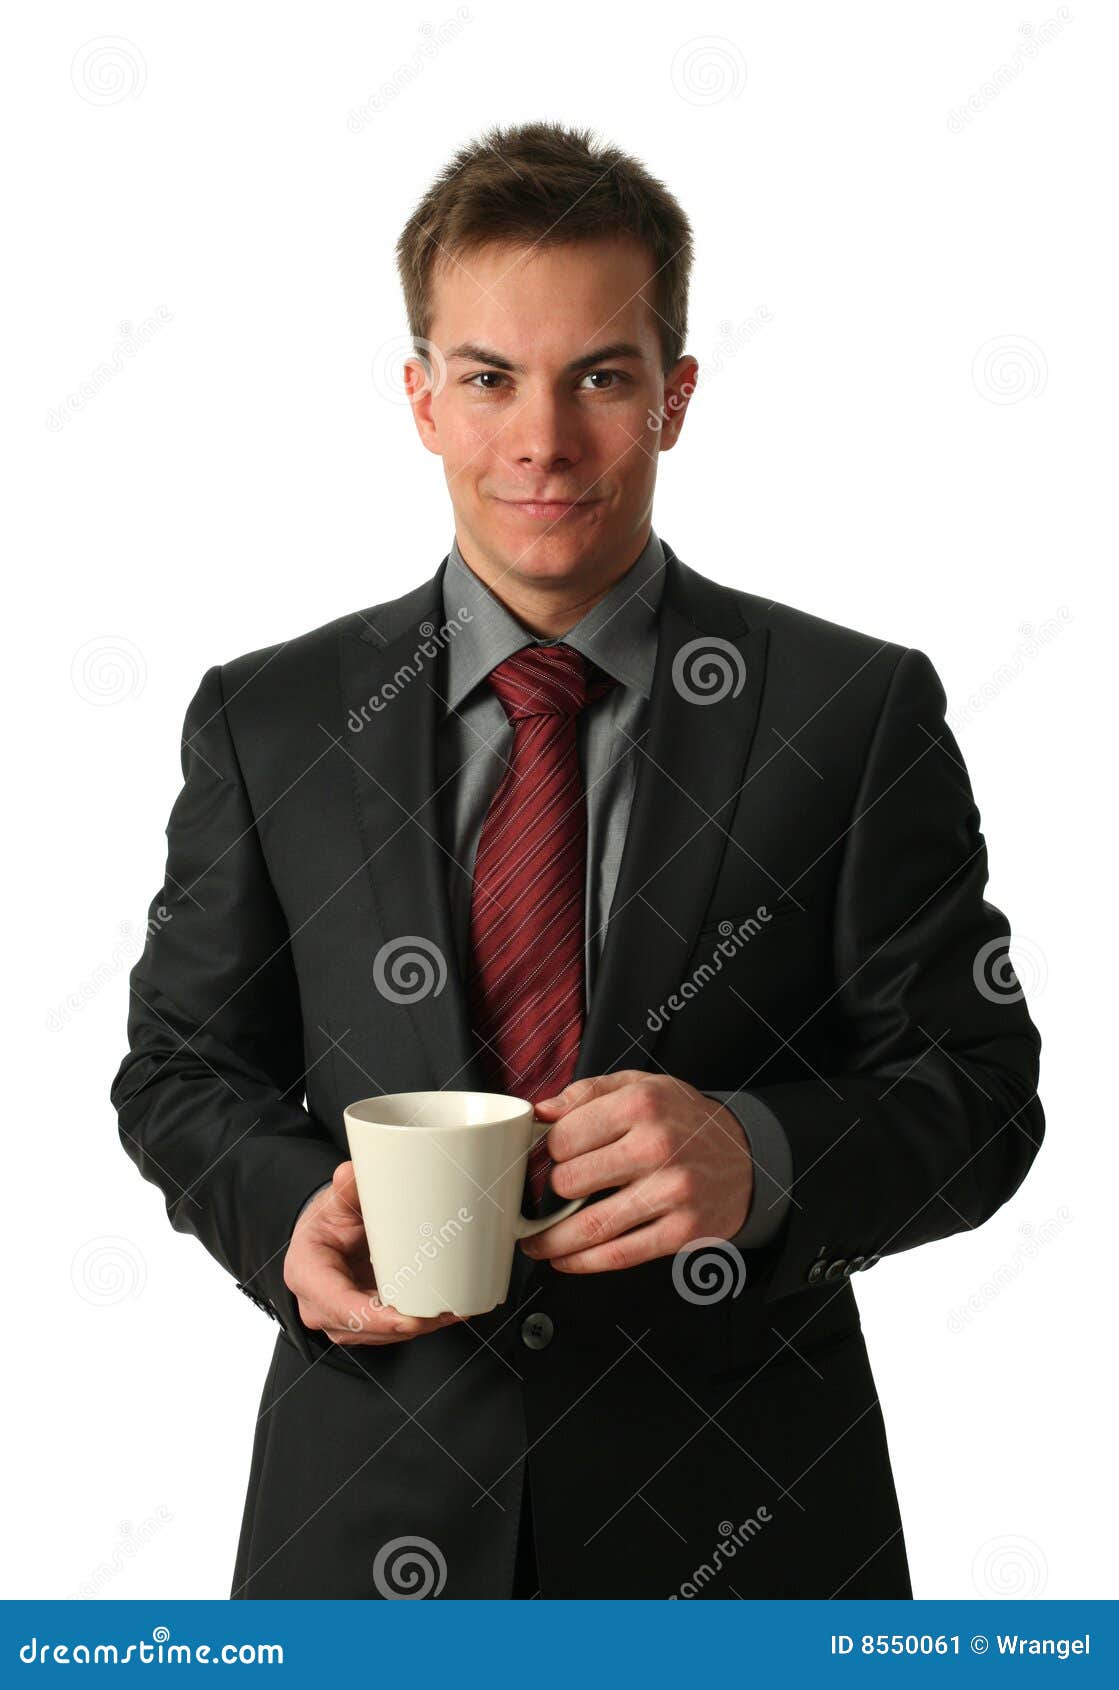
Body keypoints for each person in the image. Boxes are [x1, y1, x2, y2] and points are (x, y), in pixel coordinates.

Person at [110, 121, 1044, 1600]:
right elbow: (176, 1064)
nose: (541, 440)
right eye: (487, 377)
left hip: (747, 1543)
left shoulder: (852, 713)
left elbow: (983, 1094)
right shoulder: (270, 718)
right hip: (361, 1530)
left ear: (673, 396)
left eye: (600, 376)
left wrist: (766, 1157)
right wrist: (292, 1210)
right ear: (421, 399)